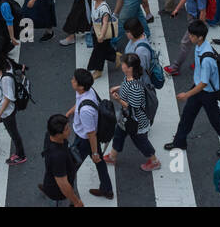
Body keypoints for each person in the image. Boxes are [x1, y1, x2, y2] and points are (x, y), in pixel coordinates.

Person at [165, 19, 220, 156]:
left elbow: (204, 83)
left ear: (200, 37)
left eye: (191, 35)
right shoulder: (200, 46)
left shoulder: (207, 58)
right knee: (187, 116)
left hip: (207, 93)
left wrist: (186, 94)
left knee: (215, 120)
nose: (189, 37)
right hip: (199, 88)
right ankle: (180, 142)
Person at [104, 52, 159, 172]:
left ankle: (154, 161)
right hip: (126, 118)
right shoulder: (130, 76)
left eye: (123, 64)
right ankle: (112, 156)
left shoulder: (136, 87)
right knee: (119, 134)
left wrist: (118, 99)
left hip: (135, 121)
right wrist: (118, 87)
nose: (122, 65)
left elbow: (133, 106)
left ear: (130, 68)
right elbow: (126, 85)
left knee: (141, 142)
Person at [66, 68, 114, 199]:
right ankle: (107, 189)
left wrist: (94, 152)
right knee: (99, 162)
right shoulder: (88, 90)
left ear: (81, 86)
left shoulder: (86, 111)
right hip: (86, 137)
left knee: (71, 165)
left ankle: (59, 189)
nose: (72, 80)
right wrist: (70, 112)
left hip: (84, 140)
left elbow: (91, 134)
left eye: (74, 80)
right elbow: (80, 102)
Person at [41, 113, 84, 207]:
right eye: (66, 129)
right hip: (59, 193)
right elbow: (63, 184)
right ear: (57, 134)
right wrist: (76, 202)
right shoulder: (58, 156)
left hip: (57, 179)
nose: (70, 130)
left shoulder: (49, 135)